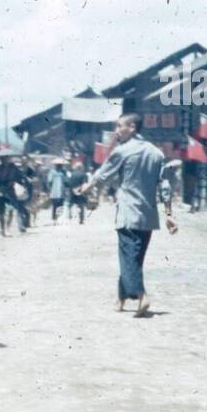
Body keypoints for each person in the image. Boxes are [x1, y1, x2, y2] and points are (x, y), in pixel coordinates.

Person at [75, 113, 177, 317]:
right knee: (133, 258)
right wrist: (168, 213)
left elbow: (103, 173)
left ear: (131, 127)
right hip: (148, 215)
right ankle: (121, 299)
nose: (116, 130)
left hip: (128, 213)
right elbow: (165, 185)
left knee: (128, 258)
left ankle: (141, 295)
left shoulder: (122, 151)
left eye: (119, 126)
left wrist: (86, 187)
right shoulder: (156, 153)